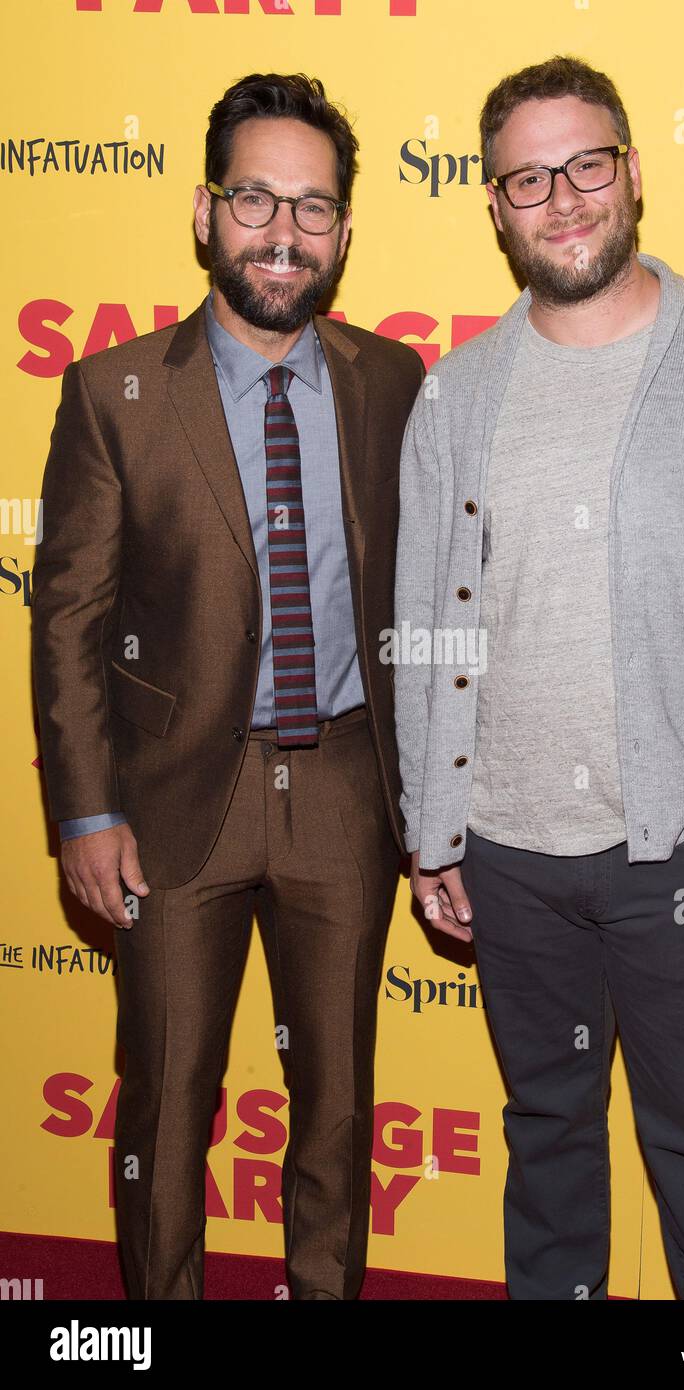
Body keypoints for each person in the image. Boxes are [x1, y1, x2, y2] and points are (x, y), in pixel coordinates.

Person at [393, 54, 684, 1299]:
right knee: (544, 1145)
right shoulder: (460, 390)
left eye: (585, 164)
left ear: (632, 172)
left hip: (683, 855)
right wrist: (432, 832)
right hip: (505, 855)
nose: (562, 198)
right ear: (494, 204)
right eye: (527, 178)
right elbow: (424, 618)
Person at [32, 71, 424, 1300]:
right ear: (205, 213)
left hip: (347, 788)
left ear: (345, 234)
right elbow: (70, 620)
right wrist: (88, 813)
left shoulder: (391, 382)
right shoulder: (116, 393)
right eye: (255, 198)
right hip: (167, 807)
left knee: (340, 1110)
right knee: (162, 1106)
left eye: (312, 208)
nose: (282, 232)